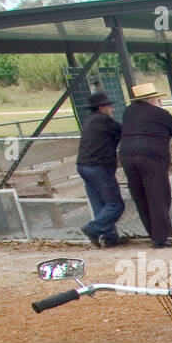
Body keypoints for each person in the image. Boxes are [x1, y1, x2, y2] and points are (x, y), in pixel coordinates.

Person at [117, 83, 172, 248]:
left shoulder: (128, 111)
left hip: (127, 155)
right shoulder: (159, 113)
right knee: (157, 195)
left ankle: (152, 233)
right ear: (153, 99)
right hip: (151, 155)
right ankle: (160, 236)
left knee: (140, 195)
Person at [75, 90, 124, 248]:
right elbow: (124, 131)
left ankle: (109, 238)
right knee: (115, 204)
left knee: (99, 204)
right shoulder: (105, 121)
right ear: (102, 107)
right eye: (110, 106)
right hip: (99, 166)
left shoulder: (89, 121)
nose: (112, 109)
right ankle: (93, 229)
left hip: (83, 165)